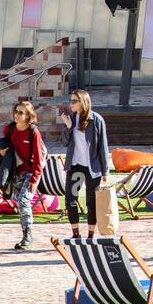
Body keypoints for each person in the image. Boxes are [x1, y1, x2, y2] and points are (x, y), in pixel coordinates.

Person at [59, 89, 111, 238]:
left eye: (74, 101)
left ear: (83, 102)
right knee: (70, 199)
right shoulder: (71, 119)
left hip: (92, 168)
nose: (71, 104)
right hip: (75, 166)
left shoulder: (97, 120)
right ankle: (75, 234)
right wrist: (68, 128)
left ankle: (90, 234)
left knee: (91, 202)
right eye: (71, 101)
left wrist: (105, 171)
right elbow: (63, 142)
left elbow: (103, 147)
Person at [0, 101, 45, 250]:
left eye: (21, 113)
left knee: (24, 201)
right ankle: (25, 233)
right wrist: (1, 151)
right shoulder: (9, 129)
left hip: (30, 172)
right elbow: (3, 146)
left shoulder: (33, 132)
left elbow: (39, 157)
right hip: (14, 171)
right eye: (16, 111)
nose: (17, 115)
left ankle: (28, 236)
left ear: (28, 116)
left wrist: (35, 178)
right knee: (18, 202)